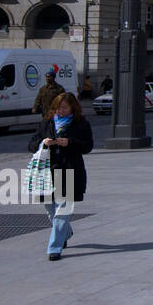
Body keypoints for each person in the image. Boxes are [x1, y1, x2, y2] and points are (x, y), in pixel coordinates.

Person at [27, 92, 93, 261]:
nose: (60, 111)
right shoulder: (47, 123)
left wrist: (69, 142)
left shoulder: (81, 124)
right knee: (50, 209)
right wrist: (43, 143)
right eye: (58, 108)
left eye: (64, 108)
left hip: (69, 170)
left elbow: (87, 146)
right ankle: (66, 232)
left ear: (73, 107)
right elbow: (32, 144)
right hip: (47, 171)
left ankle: (54, 248)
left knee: (62, 211)